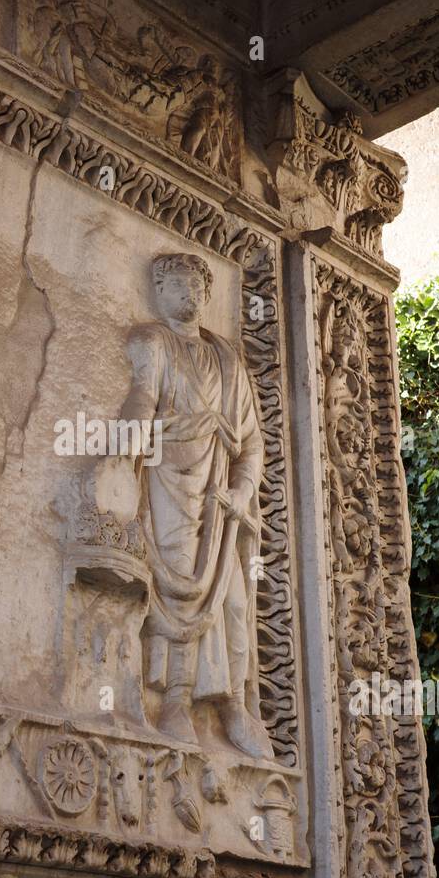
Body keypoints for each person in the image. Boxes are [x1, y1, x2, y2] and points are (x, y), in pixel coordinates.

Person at [121, 250, 274, 758]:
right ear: (158, 290)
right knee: (178, 591)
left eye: (199, 286)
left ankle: (232, 703)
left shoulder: (228, 359)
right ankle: (175, 702)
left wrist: (241, 492)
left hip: (218, 497)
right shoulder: (151, 341)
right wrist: (130, 432)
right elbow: (142, 397)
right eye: (178, 284)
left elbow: (251, 442)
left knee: (232, 600)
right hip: (170, 483)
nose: (191, 294)